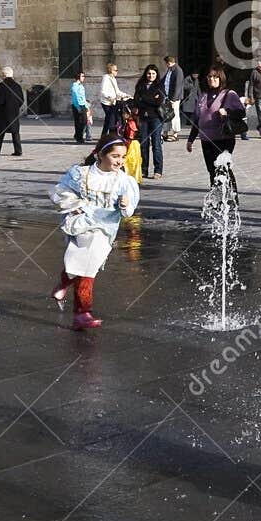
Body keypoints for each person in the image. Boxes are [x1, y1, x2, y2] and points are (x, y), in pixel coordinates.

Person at [49, 136, 140, 331]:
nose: (120, 161)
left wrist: (126, 205)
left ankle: (64, 283)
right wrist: (77, 205)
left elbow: (130, 207)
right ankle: (82, 313)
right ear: (100, 154)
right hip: (82, 223)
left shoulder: (124, 181)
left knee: (86, 262)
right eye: (115, 156)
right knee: (87, 265)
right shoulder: (81, 174)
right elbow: (61, 191)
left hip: (106, 227)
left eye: (123, 157)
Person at [186, 65, 246, 188]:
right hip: (206, 140)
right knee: (212, 171)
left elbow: (241, 112)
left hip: (224, 139)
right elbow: (197, 119)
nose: (211, 79)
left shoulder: (229, 94)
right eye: (209, 76)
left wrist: (227, 112)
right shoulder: (203, 95)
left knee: (223, 169)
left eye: (215, 77)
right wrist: (190, 140)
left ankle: (231, 198)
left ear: (221, 78)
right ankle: (216, 200)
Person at [134, 64, 167, 179]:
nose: (151, 75)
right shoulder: (140, 85)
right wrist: (151, 99)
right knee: (143, 144)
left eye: (153, 73)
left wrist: (144, 98)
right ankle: (144, 170)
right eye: (149, 73)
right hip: (143, 117)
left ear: (156, 74)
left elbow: (159, 102)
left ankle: (158, 170)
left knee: (156, 144)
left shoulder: (160, 85)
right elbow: (136, 100)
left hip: (156, 118)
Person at [0, 66, 25, 156]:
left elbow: (0, 100)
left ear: (4, 75)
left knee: (1, 131)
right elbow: (21, 100)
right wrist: (16, 106)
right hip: (14, 112)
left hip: (4, 112)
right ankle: (18, 150)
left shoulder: (2, 85)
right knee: (15, 132)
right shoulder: (17, 86)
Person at [161, 56, 186, 140]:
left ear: (169, 62)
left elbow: (178, 86)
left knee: (174, 115)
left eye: (166, 63)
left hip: (173, 98)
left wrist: (173, 99)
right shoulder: (170, 70)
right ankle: (165, 132)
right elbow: (164, 80)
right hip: (167, 96)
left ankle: (175, 134)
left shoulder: (178, 71)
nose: (166, 65)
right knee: (166, 114)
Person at [100, 63, 125, 133]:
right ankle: (111, 134)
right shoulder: (106, 78)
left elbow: (117, 91)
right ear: (111, 70)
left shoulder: (113, 79)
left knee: (108, 119)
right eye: (116, 70)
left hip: (112, 102)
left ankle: (104, 135)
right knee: (111, 119)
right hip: (107, 102)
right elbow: (103, 91)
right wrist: (110, 97)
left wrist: (125, 95)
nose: (117, 71)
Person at [69, 72, 93, 144]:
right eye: (82, 76)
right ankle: (79, 137)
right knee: (79, 122)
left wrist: (87, 106)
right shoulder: (75, 86)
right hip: (77, 105)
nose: (84, 77)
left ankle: (78, 135)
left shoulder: (81, 86)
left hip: (83, 105)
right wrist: (78, 107)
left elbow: (83, 97)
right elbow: (75, 97)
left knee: (84, 121)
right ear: (78, 77)